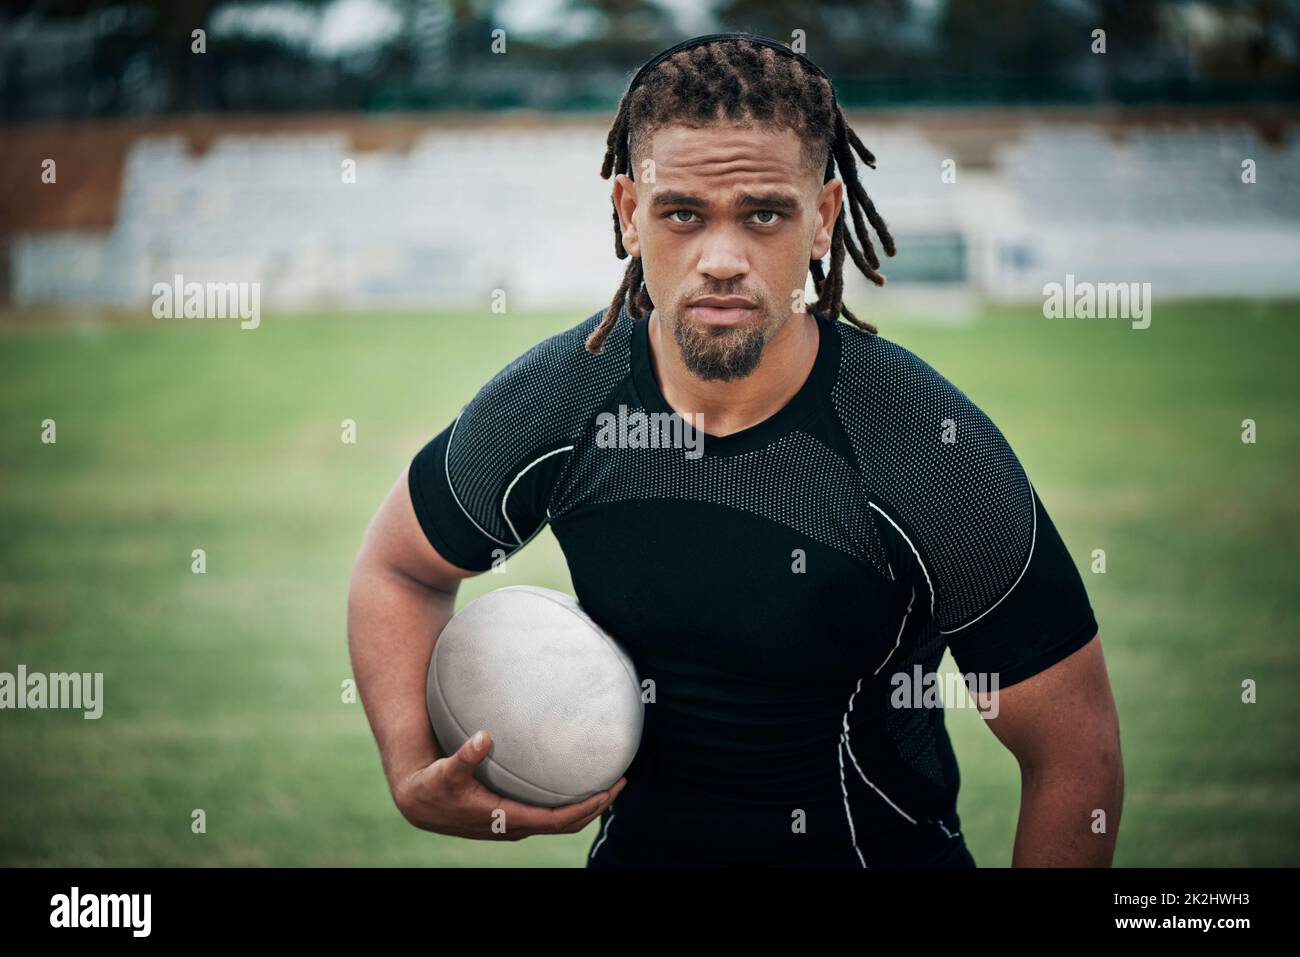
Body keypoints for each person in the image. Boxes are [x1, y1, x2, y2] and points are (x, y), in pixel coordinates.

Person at [347, 33, 1123, 867]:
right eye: (683, 213)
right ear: (628, 215)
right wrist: (406, 761)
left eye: (764, 214)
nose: (722, 260)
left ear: (822, 218)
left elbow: (1076, 757)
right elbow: (400, 567)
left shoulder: (923, 444)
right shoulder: (564, 402)